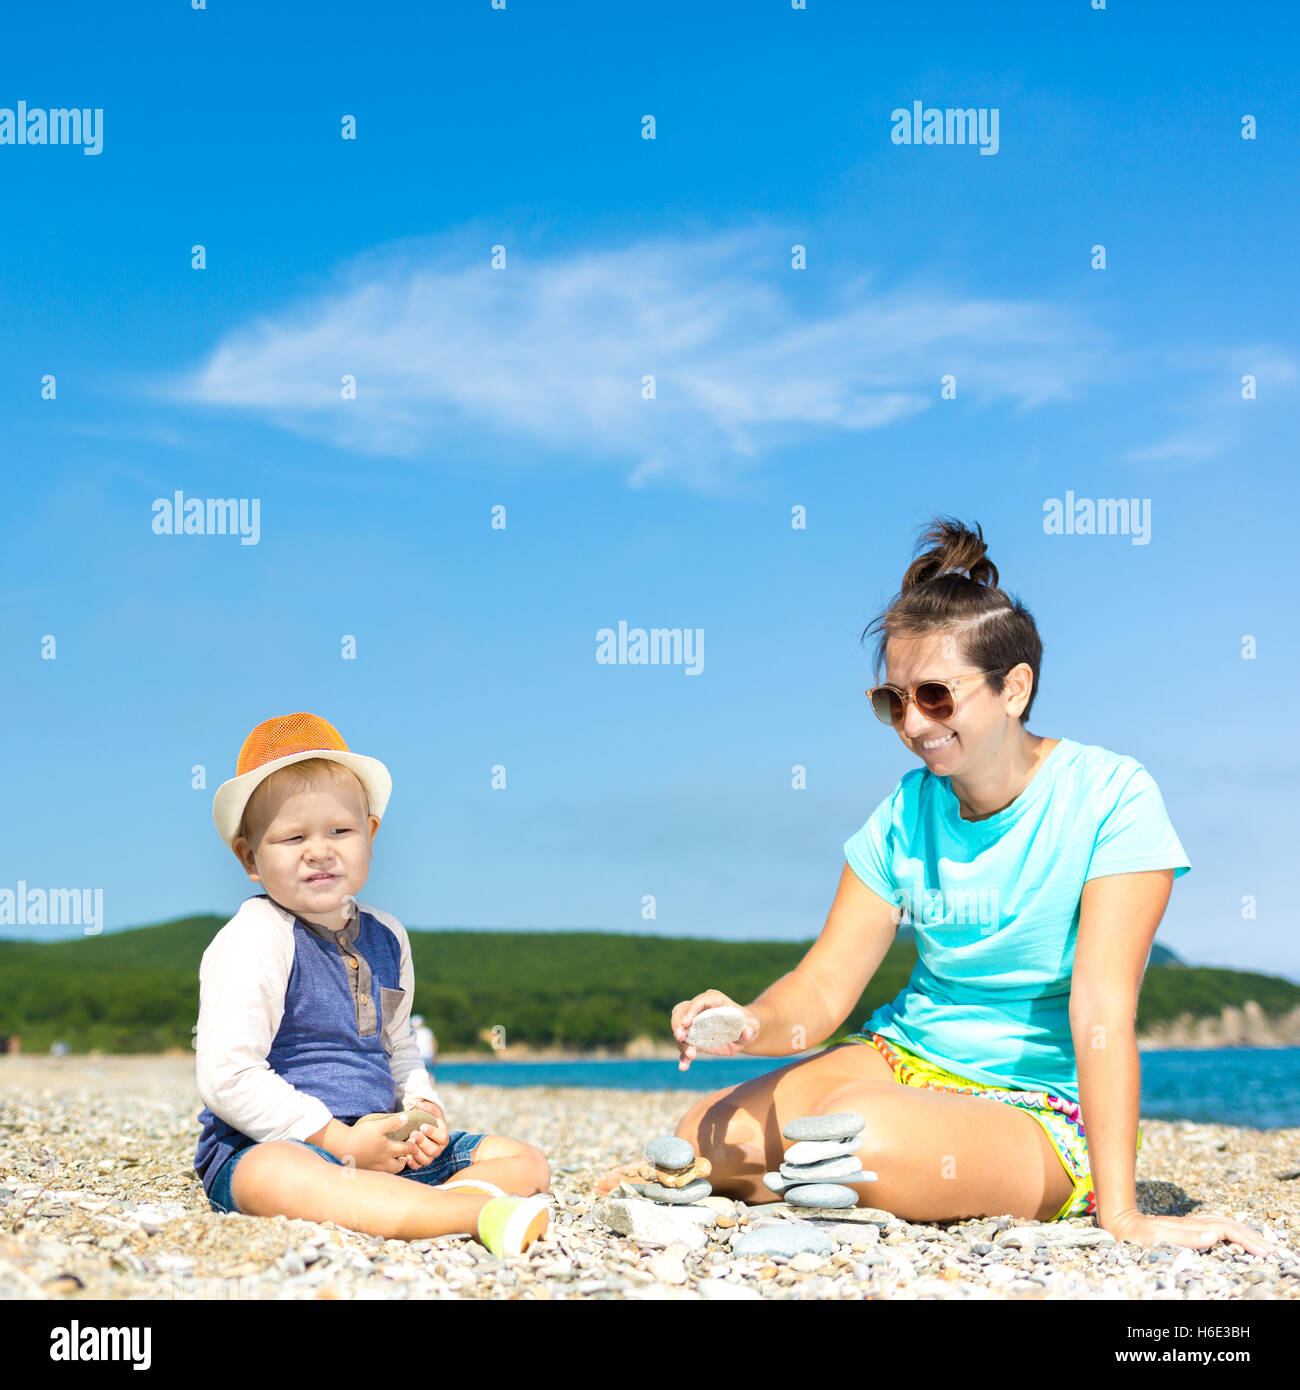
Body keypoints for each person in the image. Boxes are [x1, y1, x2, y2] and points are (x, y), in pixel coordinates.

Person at [597, 516, 1275, 1256]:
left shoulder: (1113, 796)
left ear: (1014, 688)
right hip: (906, 1054)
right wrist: (751, 1025)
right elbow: (825, 986)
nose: (913, 724)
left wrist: (1122, 1213)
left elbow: (1101, 1007)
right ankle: (805, 1167)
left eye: (936, 697)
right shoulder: (903, 811)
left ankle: (821, 1166)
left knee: (865, 1135)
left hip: (1040, 1103)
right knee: (700, 1133)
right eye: (893, 701)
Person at [193, 712, 551, 1257]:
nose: (320, 850)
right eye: (293, 837)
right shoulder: (256, 936)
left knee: (526, 1159)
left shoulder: (388, 936)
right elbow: (229, 1076)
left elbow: (397, 1046)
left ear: (371, 834)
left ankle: (421, 1207)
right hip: (279, 1143)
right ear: (249, 857)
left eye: (340, 830)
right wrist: (336, 1139)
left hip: (378, 1140)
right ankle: (470, 1211)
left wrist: (423, 1110)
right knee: (274, 1174)